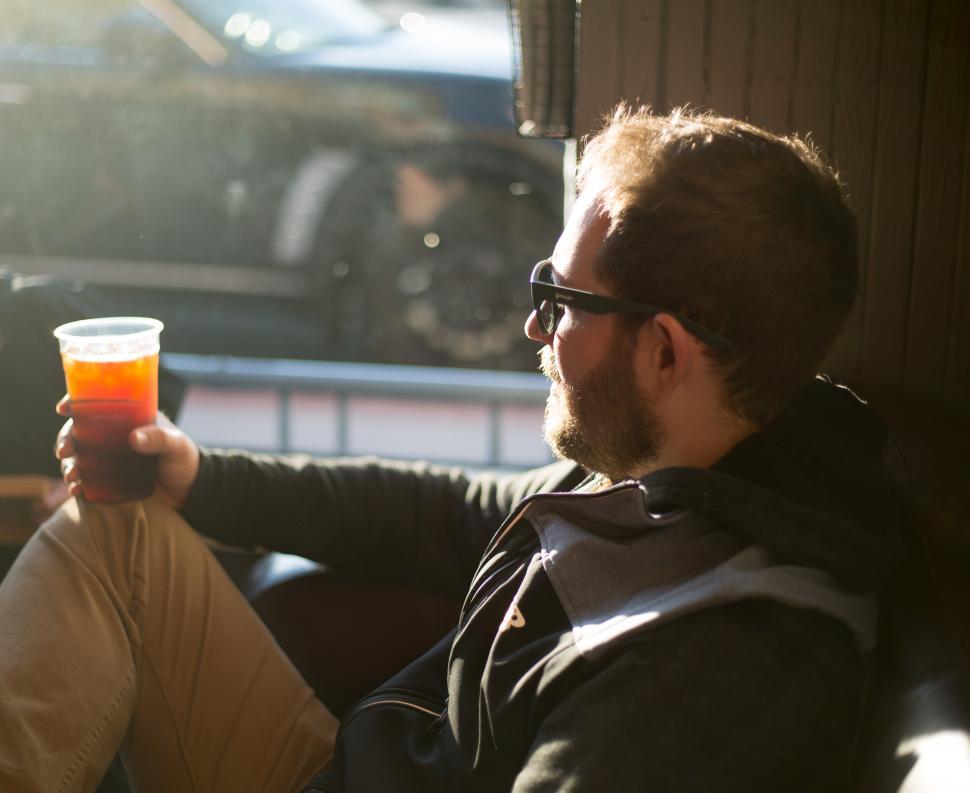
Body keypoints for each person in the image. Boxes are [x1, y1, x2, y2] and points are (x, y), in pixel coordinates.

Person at [0, 106, 905, 792]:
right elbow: (450, 510)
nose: (534, 327)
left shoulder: (708, 665)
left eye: (562, 300)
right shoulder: (674, 476)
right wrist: (202, 476)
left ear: (664, 352)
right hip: (348, 760)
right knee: (113, 528)